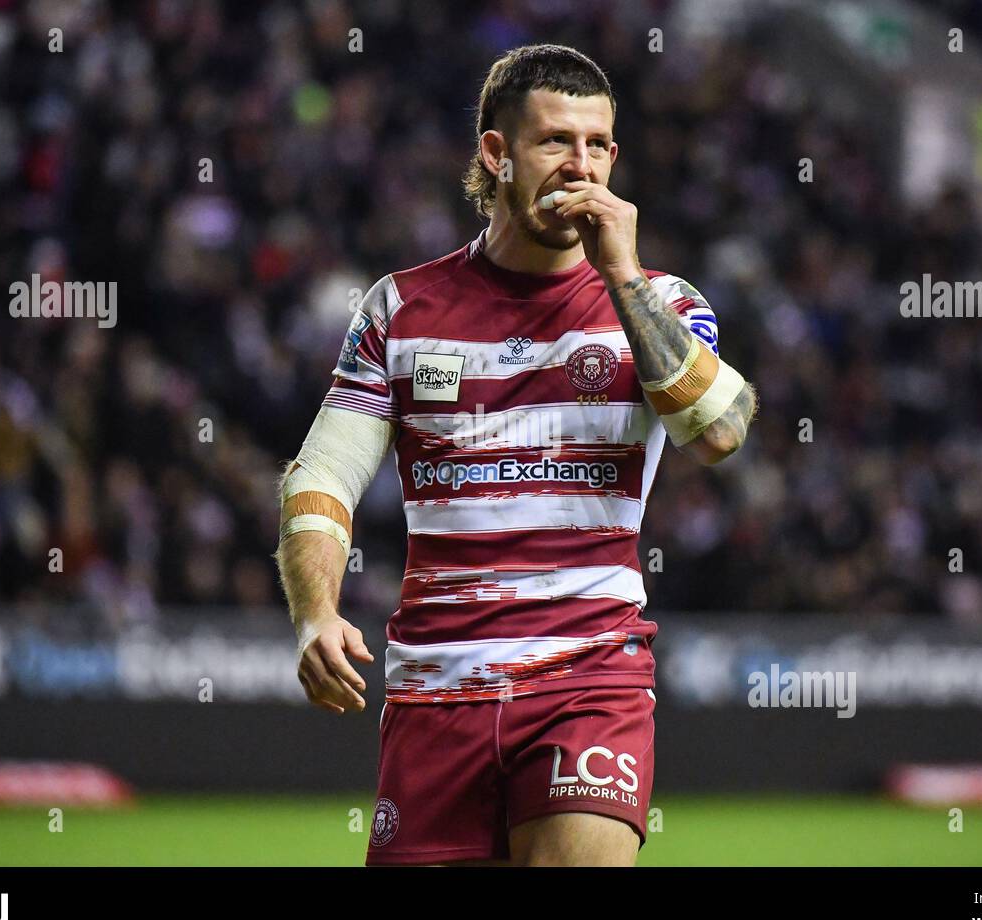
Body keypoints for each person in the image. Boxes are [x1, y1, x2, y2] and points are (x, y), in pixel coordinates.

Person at [274, 43, 756, 866]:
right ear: (496, 154)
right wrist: (316, 613)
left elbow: (718, 430)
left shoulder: (662, 302)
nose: (581, 166)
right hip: (435, 692)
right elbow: (320, 476)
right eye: (555, 142)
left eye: (598, 144)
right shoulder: (401, 308)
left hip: (589, 676)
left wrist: (622, 277)